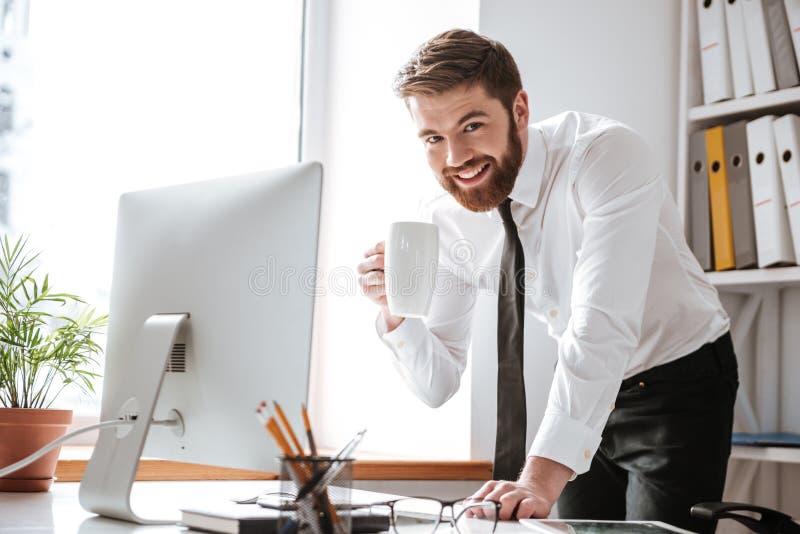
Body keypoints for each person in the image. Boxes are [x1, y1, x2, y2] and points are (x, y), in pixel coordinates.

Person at [356, 29, 738, 532]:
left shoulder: (605, 156)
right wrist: (396, 312)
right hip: (580, 386)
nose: (455, 158)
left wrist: (538, 478)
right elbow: (437, 382)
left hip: (678, 379)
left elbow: (602, 324)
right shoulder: (444, 217)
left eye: (472, 125)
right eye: (434, 138)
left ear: (518, 110)